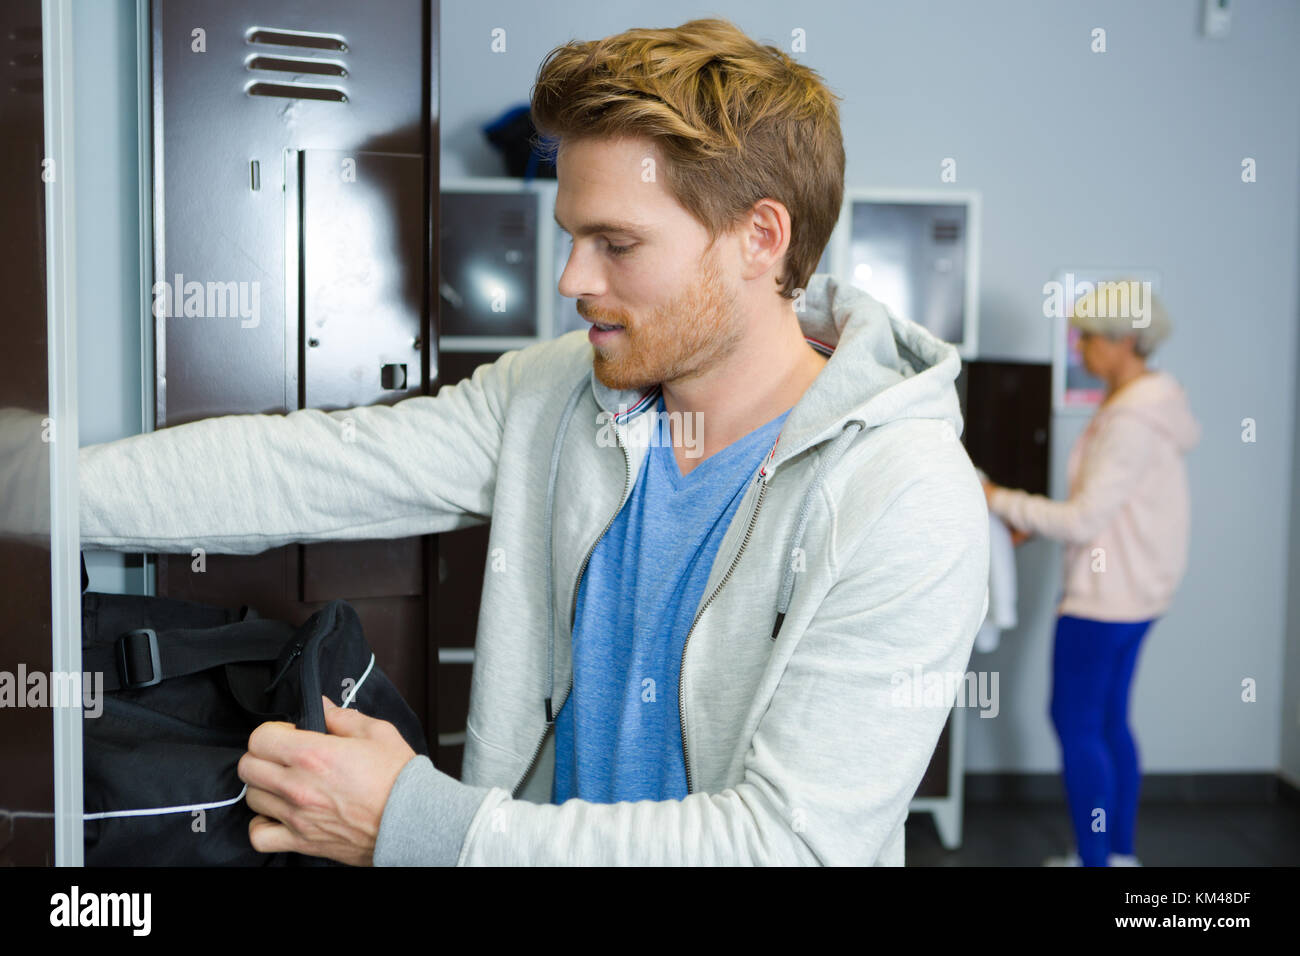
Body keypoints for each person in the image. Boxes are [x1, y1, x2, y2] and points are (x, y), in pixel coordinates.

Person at [79, 17, 989, 865]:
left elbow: (785, 847)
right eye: (570, 236)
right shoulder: (560, 390)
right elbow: (306, 467)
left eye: (616, 244)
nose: (571, 278)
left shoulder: (904, 494)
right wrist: (38, 494)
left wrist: (414, 822)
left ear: (760, 236)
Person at [982, 280, 1200, 867]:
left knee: (1076, 723)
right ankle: (1116, 855)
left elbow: (1082, 521)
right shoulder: (1146, 402)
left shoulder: (1131, 417)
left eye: (1089, 339)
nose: (1079, 350)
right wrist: (1029, 516)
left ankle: (1097, 861)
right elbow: (1108, 508)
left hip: (1105, 598)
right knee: (1108, 722)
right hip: (1141, 594)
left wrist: (996, 496)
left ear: (1126, 339)